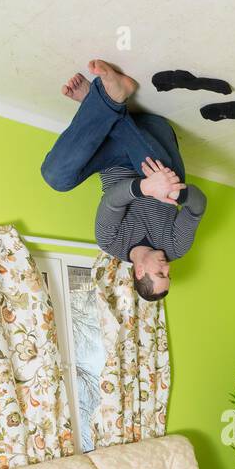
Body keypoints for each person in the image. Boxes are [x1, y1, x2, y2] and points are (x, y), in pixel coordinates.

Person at [40, 60, 205, 301]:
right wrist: (175, 193)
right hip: (154, 141)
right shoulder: (175, 247)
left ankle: (104, 104)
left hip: (112, 159)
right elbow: (198, 207)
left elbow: (112, 202)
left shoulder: (109, 242)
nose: (167, 268)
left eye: (161, 273)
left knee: (55, 177)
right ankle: (102, 103)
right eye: (168, 274)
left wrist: (146, 187)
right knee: (169, 175)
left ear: (140, 272)